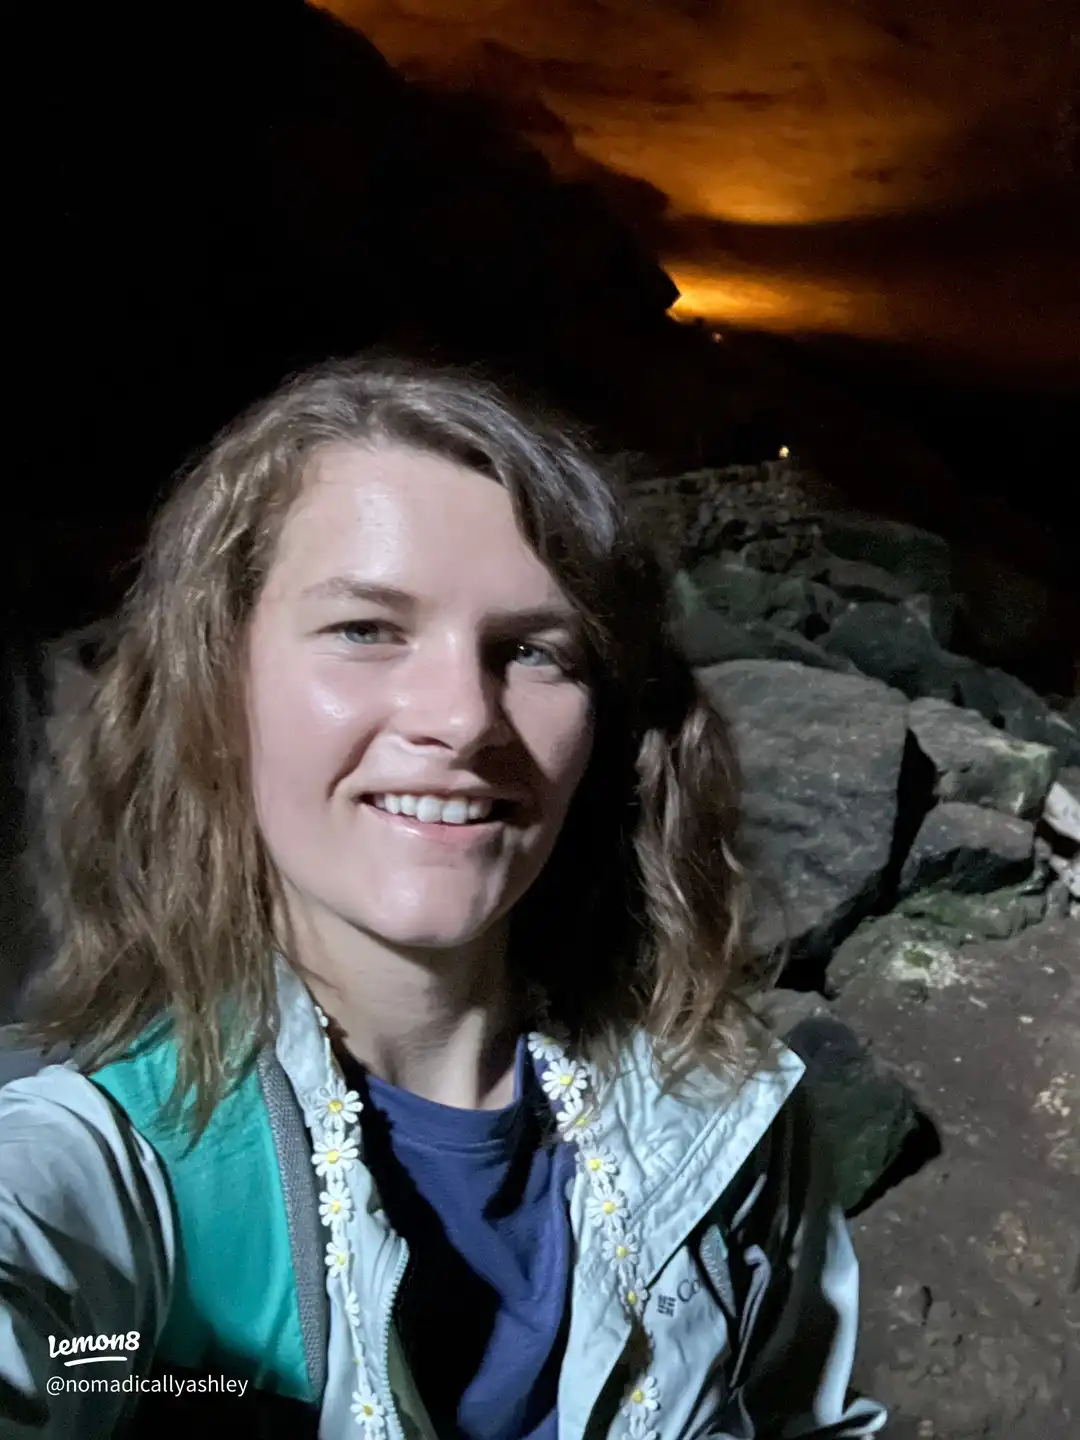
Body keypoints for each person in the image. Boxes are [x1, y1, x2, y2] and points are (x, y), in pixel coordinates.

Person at [0, 356, 886, 1439]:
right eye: (366, 630)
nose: (463, 719)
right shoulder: (101, 1170)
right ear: (216, 684)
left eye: (533, 651)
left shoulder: (724, 1117)